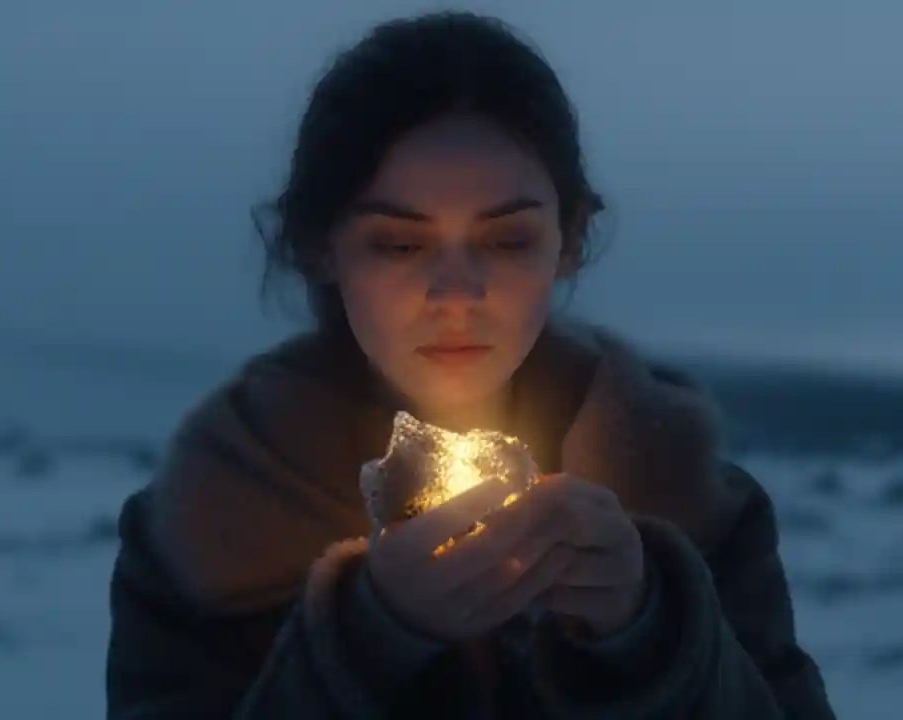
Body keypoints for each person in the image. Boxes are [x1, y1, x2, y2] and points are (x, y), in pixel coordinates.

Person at [105, 11, 836, 719]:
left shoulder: (694, 511)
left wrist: (649, 631)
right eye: (399, 244)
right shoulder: (214, 526)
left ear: (570, 239)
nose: (457, 294)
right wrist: (365, 640)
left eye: (508, 240)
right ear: (321, 247)